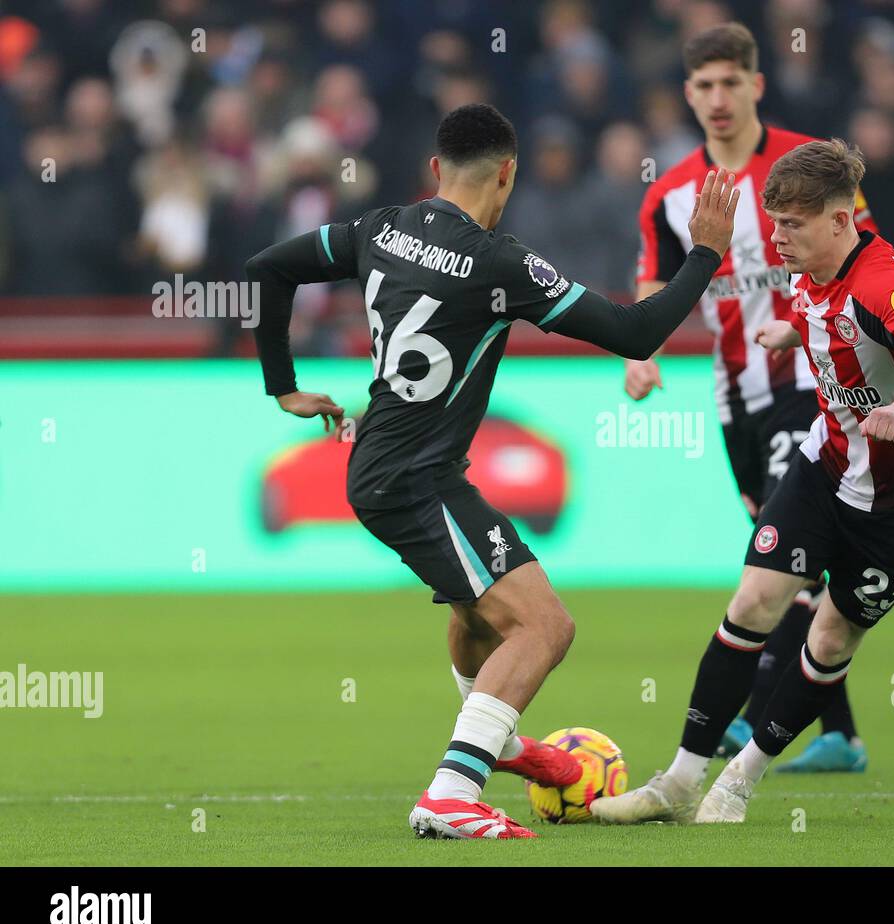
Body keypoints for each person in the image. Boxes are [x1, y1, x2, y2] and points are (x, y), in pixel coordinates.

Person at [247, 103, 739, 839]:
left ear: (436, 169)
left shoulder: (379, 229)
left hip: (389, 465)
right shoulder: (501, 264)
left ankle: (495, 740)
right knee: (546, 628)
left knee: (476, 616)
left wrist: (282, 385)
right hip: (415, 476)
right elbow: (637, 329)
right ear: (508, 173)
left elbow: (268, 269)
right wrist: (703, 253)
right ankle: (453, 789)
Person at [594, 139, 894, 825]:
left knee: (829, 642)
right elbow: (824, 317)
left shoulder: (883, 280)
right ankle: (678, 783)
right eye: (774, 223)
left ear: (839, 219)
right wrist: (793, 332)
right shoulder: (807, 271)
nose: (777, 238)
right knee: (755, 601)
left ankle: (739, 780)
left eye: (791, 225)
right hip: (825, 465)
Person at [626, 21, 875, 773]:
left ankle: (751, 717)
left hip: (811, 382)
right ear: (687, 95)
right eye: (703, 85)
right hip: (734, 397)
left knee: (776, 561)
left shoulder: (809, 168)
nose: (718, 97)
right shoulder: (671, 195)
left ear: (756, 85)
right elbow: (655, 284)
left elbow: (866, 253)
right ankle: (839, 735)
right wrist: (644, 352)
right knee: (800, 561)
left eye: (731, 81)